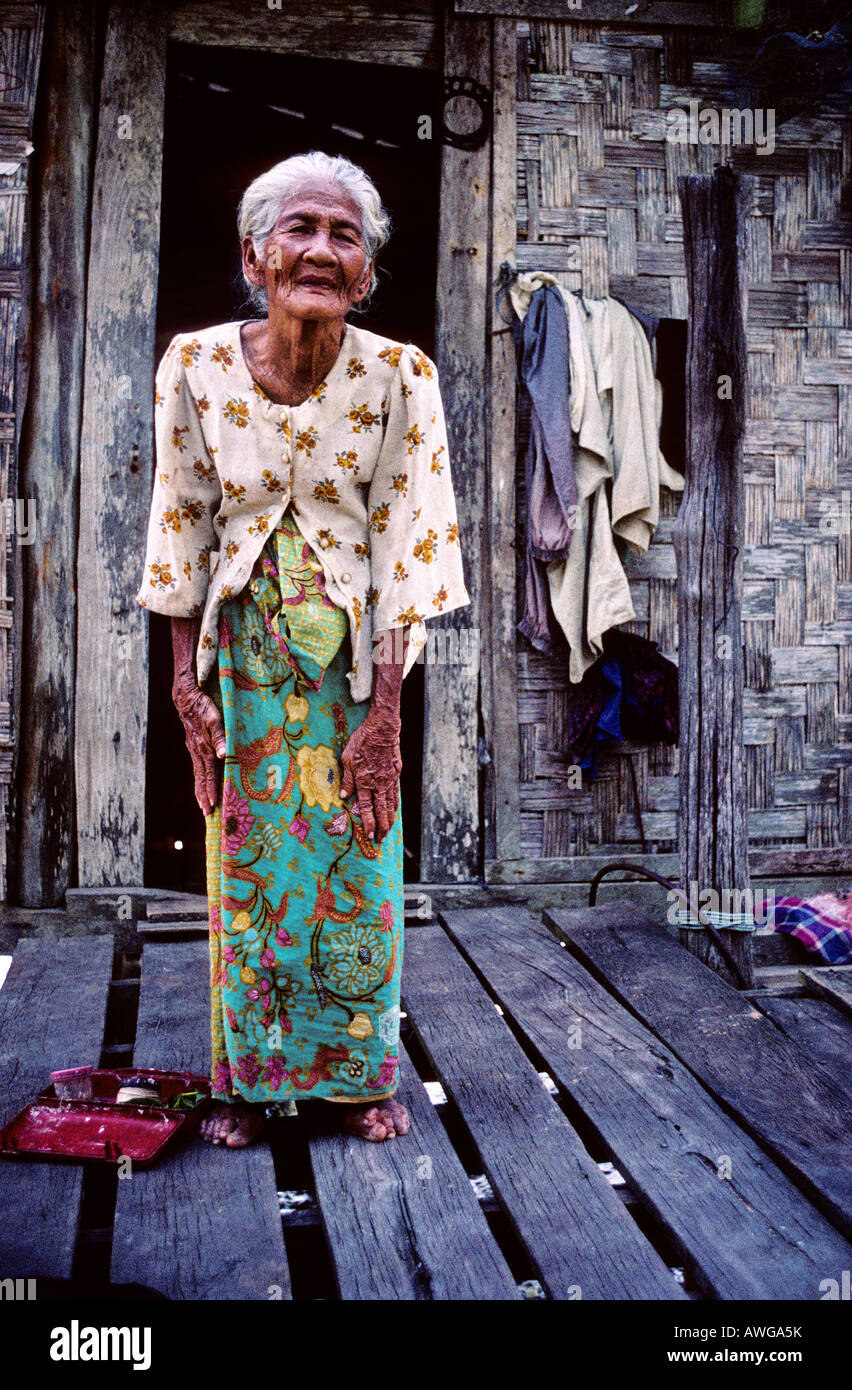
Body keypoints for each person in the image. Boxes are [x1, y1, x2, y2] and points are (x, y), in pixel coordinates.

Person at [136, 151, 470, 1146]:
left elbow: (415, 543)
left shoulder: (401, 376)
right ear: (256, 253)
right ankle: (250, 1078)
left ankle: (357, 1076)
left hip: (355, 658)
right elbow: (178, 527)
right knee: (246, 859)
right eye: (299, 229)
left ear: (366, 273)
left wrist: (385, 715)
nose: (320, 251)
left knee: (358, 855)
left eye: (344, 236)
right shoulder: (194, 365)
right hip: (239, 652)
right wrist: (184, 695)